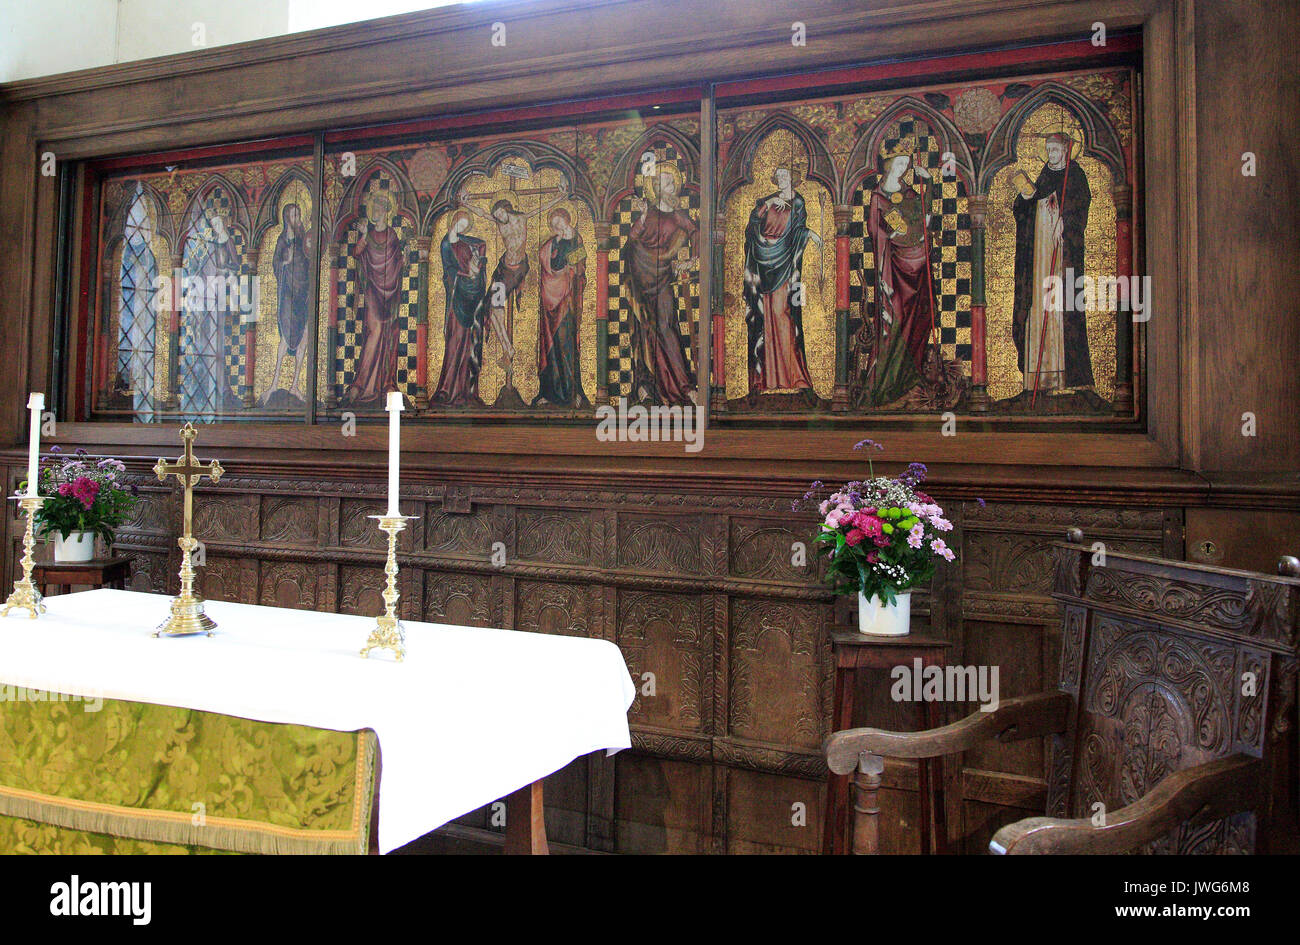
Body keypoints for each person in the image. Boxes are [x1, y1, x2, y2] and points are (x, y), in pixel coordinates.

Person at [1011, 130, 1093, 395]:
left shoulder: (1076, 175)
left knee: (1064, 307)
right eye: (1049, 150)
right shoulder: (1044, 176)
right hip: (1039, 258)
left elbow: (1080, 204)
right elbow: (1028, 209)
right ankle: (1039, 376)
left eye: (1056, 150)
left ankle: (1070, 378)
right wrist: (1024, 199)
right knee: (1037, 306)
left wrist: (1066, 221)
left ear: (1067, 151)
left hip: (1062, 258)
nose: (1052, 154)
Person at [863, 138, 938, 406]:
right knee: (894, 321)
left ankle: (909, 377)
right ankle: (884, 385)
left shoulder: (911, 194)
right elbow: (876, 232)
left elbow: (924, 218)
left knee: (920, 316)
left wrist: (927, 184)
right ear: (888, 164)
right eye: (899, 163)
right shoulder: (878, 197)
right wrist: (893, 233)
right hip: (894, 269)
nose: (902, 168)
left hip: (917, 264)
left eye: (906, 164)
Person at [742, 164, 822, 397]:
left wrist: (809, 234)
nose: (781, 179)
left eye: (785, 175)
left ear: (793, 178)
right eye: (778, 176)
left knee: (783, 313)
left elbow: (798, 229)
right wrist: (763, 210)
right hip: (762, 262)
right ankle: (766, 379)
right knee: (764, 317)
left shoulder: (798, 203)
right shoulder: (767, 201)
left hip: (786, 264)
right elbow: (752, 227)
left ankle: (794, 376)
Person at [624, 161, 697, 405]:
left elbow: (697, 235)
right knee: (645, 329)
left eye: (671, 182)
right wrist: (642, 217)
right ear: (657, 188)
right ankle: (647, 386)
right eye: (665, 182)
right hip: (640, 276)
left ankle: (683, 386)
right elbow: (631, 243)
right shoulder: (649, 213)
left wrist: (690, 261)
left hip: (662, 277)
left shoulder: (678, 216)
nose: (670, 186)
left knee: (666, 327)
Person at [343, 192, 405, 406]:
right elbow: (356, 252)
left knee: (389, 332)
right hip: (373, 291)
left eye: (380, 209)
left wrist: (402, 262)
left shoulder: (393, 236)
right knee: (375, 331)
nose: (376, 213)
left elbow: (398, 261)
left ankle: (386, 382)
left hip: (391, 291)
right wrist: (362, 235)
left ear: (386, 212)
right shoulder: (368, 235)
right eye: (374, 209)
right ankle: (361, 384)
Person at [431, 209, 490, 405]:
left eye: (465, 226)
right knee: (454, 343)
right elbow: (449, 271)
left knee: (470, 345)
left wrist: (477, 268)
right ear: (453, 222)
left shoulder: (467, 243)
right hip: (457, 299)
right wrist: (466, 275)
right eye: (460, 225)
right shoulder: (446, 244)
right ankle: (447, 388)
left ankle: (466, 390)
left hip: (471, 298)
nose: (462, 229)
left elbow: (481, 246)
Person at [533, 207, 589, 407]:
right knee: (550, 347)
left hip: (566, 301)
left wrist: (570, 269)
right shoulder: (552, 244)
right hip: (550, 300)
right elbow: (544, 259)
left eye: (561, 223)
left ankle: (572, 391)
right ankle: (549, 392)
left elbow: (579, 267)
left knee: (566, 345)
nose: (558, 227)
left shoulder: (576, 240)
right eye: (554, 224)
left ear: (568, 221)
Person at [264, 202, 311, 403]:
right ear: (286, 218)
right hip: (288, 295)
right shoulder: (282, 241)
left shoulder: (303, 240)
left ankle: (295, 385)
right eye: (294, 215)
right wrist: (285, 262)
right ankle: (274, 384)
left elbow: (311, 260)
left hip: (304, 294)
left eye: (298, 214)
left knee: (305, 338)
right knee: (285, 336)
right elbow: (276, 265)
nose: (297, 218)